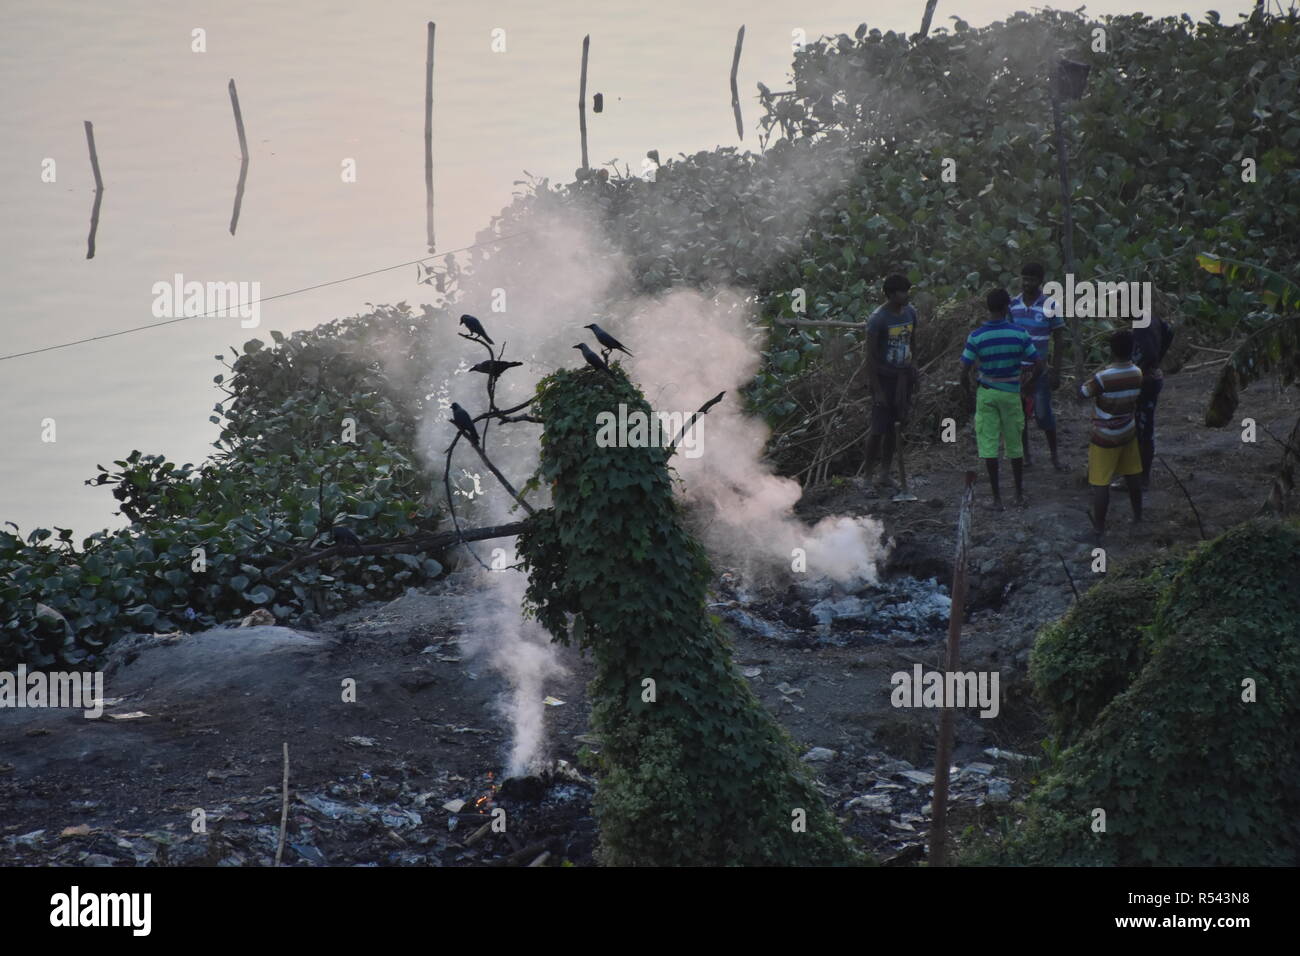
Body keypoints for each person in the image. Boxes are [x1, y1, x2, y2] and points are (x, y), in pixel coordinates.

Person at [960, 288, 1042, 510]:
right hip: (1011, 392)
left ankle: (996, 499)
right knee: (1015, 444)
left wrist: (968, 392)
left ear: (988, 308)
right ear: (1007, 307)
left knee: (989, 445)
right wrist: (1029, 382)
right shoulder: (1020, 333)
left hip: (986, 392)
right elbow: (1038, 361)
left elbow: (964, 369)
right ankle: (1018, 494)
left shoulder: (976, 336)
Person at [1078, 330, 1145, 542]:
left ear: (1111, 350)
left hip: (1105, 435)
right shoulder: (1137, 372)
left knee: (1100, 483)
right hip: (1128, 430)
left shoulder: (1102, 377)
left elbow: (1084, 392)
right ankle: (1138, 516)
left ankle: (1098, 529)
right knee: (1133, 474)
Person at [862, 274, 918, 492]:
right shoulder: (878, 319)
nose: (907, 295)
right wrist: (877, 390)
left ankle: (885, 473)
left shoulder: (910, 313)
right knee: (877, 430)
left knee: (896, 428)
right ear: (892, 294)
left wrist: (915, 370)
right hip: (884, 379)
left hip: (903, 378)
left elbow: (914, 342)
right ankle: (867, 478)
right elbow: (871, 358)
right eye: (903, 292)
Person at [1009, 262, 1066, 471]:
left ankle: (1054, 456)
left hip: (1040, 370)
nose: (1026, 283)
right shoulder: (1012, 304)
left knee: (1043, 414)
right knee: (1020, 415)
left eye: (1031, 279)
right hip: (1017, 370)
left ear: (1040, 281)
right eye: (1024, 278)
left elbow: (1059, 340)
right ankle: (1026, 455)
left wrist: (1056, 371)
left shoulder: (1050, 305)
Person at [1131, 313, 1175, 490]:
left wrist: (1136, 373)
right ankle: (1141, 475)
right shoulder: (1152, 317)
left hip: (1145, 382)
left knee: (1142, 429)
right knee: (1143, 428)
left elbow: (1148, 354)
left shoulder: (1141, 324)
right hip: (1152, 378)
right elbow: (1169, 332)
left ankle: (1142, 477)